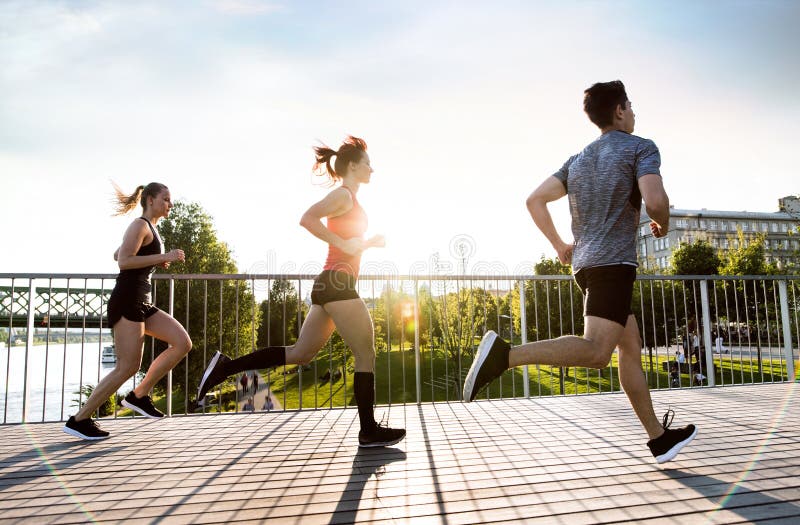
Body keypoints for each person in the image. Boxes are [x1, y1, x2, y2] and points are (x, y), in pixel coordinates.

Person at [462, 81, 697, 464]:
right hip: (612, 267)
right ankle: (504, 356)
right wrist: (664, 224)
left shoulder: (578, 160)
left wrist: (559, 244)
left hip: (587, 265)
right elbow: (655, 200)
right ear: (619, 111)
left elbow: (534, 199)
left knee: (629, 349)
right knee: (597, 352)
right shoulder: (640, 147)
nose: (634, 113)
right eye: (631, 106)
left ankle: (658, 437)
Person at [195, 136, 405, 448]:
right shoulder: (344, 195)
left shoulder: (349, 199)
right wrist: (346, 243)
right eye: (367, 164)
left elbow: (345, 242)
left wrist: (369, 242)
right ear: (352, 166)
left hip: (328, 284)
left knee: (300, 353)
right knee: (366, 353)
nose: (372, 169)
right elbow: (307, 218)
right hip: (337, 284)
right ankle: (368, 430)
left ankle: (226, 367)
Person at [63, 182, 192, 440]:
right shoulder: (140, 225)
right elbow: (123, 261)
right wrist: (162, 255)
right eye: (166, 199)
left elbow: (118, 254)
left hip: (142, 301)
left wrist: (150, 255)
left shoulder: (149, 229)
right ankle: (79, 419)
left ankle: (138, 395)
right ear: (151, 200)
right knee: (127, 366)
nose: (171, 204)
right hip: (127, 299)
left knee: (182, 342)